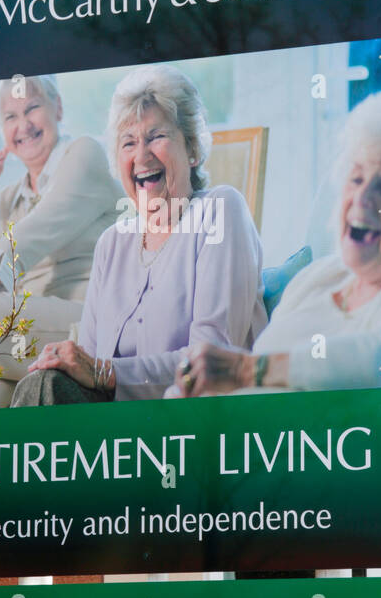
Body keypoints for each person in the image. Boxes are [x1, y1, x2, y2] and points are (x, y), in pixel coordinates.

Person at [14, 64, 266, 405]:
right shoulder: (112, 243)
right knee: (42, 380)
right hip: (113, 423)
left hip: (190, 417)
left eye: (157, 137)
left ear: (192, 148)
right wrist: (67, 363)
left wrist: (104, 372)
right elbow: (87, 362)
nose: (141, 155)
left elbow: (211, 360)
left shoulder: (219, 211)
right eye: (128, 143)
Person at [171, 89, 381, 398]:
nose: (362, 197)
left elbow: (379, 360)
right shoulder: (317, 278)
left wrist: (245, 369)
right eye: (356, 179)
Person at [0, 74, 120, 411]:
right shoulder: (10, 199)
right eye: (10, 116)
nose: (23, 125)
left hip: (88, 323)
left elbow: (31, 237)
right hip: (32, 337)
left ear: (58, 107)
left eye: (32, 108)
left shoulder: (84, 154)